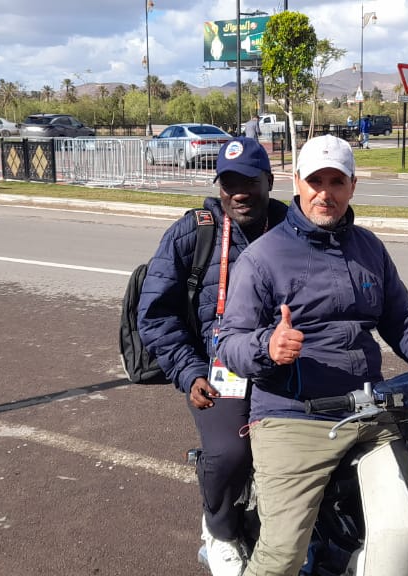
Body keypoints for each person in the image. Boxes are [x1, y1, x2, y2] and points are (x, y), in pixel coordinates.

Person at [214, 134, 408, 576]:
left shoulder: (368, 248)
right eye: (316, 181)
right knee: (282, 554)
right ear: (297, 183)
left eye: (336, 181)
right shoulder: (263, 258)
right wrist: (269, 346)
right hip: (294, 419)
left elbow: (405, 324)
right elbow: (230, 343)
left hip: (369, 410)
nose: (326, 193)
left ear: (352, 186)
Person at [137, 136, 287, 576]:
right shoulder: (194, 232)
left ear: (269, 181)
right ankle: (219, 532)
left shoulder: (289, 226)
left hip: (282, 365)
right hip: (216, 372)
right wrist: (189, 372)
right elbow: (155, 315)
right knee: (231, 453)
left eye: (250, 182)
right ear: (219, 185)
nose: (240, 192)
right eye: (229, 182)